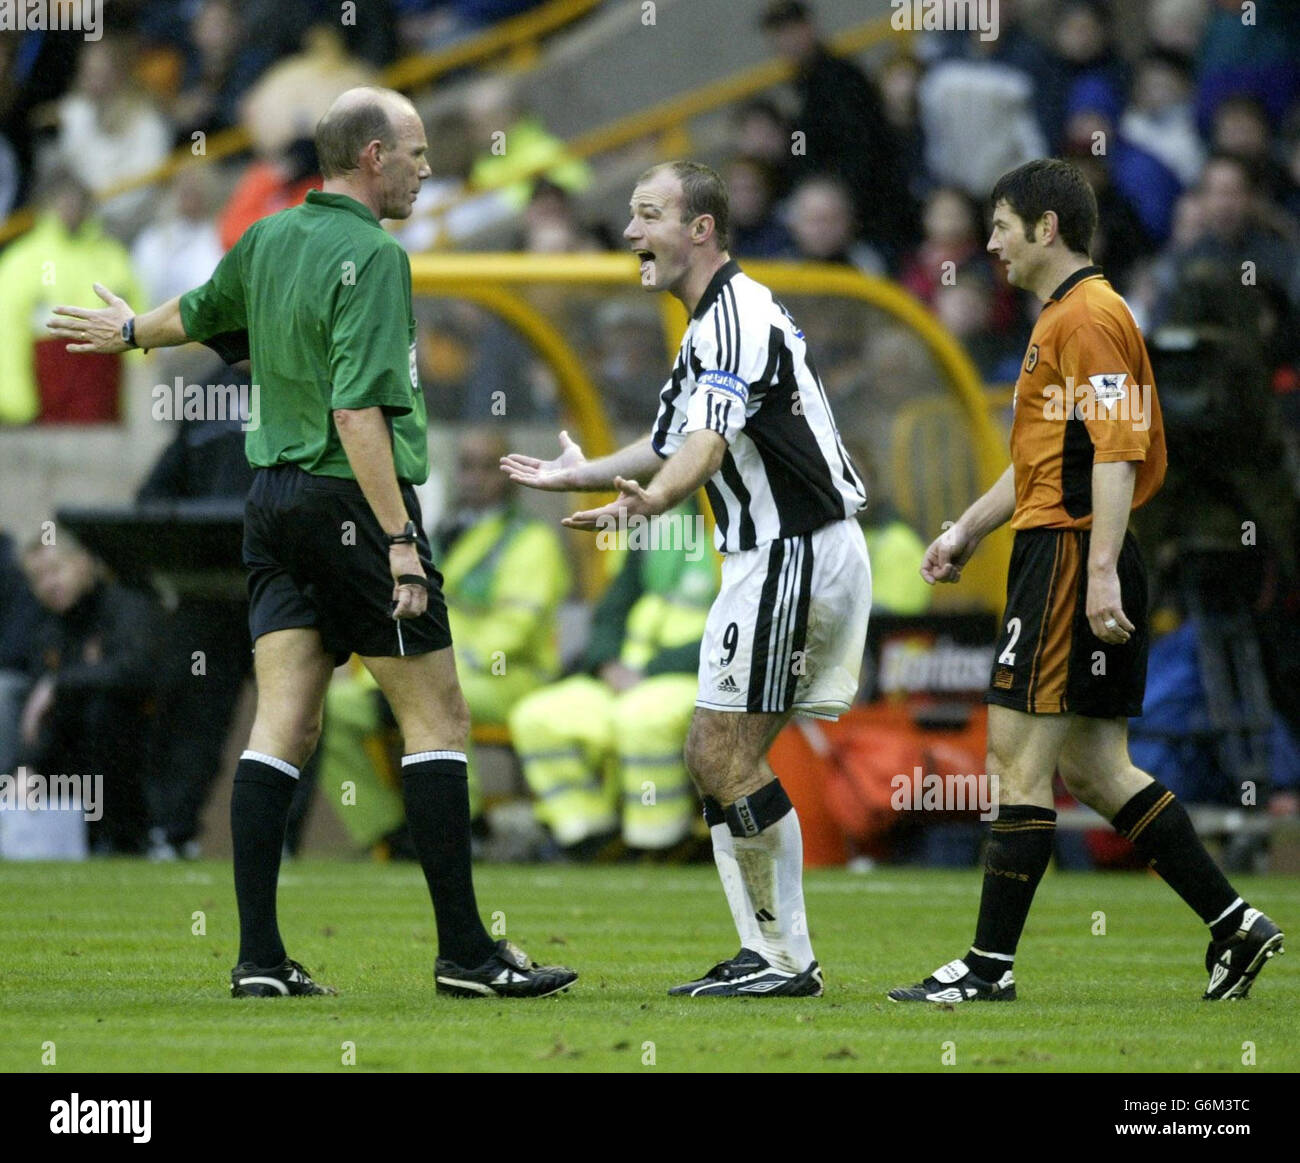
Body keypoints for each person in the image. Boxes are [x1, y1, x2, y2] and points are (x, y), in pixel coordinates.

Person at [47, 86, 576, 1001]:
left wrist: (131, 330)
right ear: (372, 157)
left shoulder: (268, 239)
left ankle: (259, 959)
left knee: (283, 723)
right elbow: (357, 410)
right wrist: (401, 538)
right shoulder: (375, 255)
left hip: (272, 503)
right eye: (415, 152)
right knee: (437, 718)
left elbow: (199, 314)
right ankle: (465, 953)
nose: (427, 168)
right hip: (352, 500)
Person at [888, 158, 1283, 1005]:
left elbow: (1118, 448)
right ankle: (1235, 923)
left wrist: (1099, 569)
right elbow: (1043, 458)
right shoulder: (1069, 315)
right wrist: (966, 529)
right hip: (1072, 547)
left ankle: (988, 968)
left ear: (1046, 227)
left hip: (1071, 555)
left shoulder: (1091, 316)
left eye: (1001, 226)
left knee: (1015, 761)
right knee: (1098, 768)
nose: (990, 244)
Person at [503, 160, 871, 997]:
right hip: (774, 554)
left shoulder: (734, 315)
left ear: (700, 229)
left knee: (719, 752)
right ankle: (767, 953)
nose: (630, 232)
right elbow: (675, 437)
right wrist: (583, 474)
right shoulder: (709, 323)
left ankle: (784, 959)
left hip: (792, 550)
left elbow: (700, 451)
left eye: (647, 215)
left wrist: (655, 501)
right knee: (718, 755)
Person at [509, 500, 718, 859]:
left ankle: (660, 840)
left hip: (701, 675)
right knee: (536, 717)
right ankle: (588, 834)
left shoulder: (747, 527)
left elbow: (748, 625)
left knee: (641, 718)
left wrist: (650, 672)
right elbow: (612, 608)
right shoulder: (660, 522)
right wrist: (607, 663)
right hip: (626, 671)